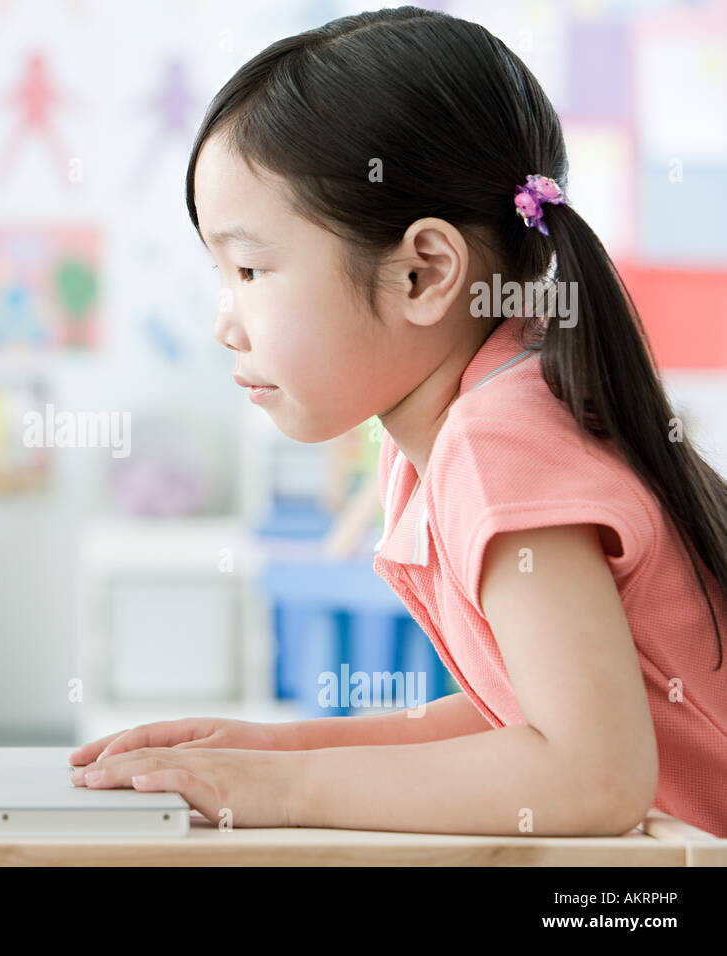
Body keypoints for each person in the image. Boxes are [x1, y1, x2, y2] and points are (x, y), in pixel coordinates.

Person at [69, 6, 727, 838]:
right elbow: (518, 717)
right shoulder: (467, 424)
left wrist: (282, 793)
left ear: (423, 274)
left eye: (248, 268)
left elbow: (592, 774)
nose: (224, 323)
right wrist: (277, 752)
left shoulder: (502, 445)